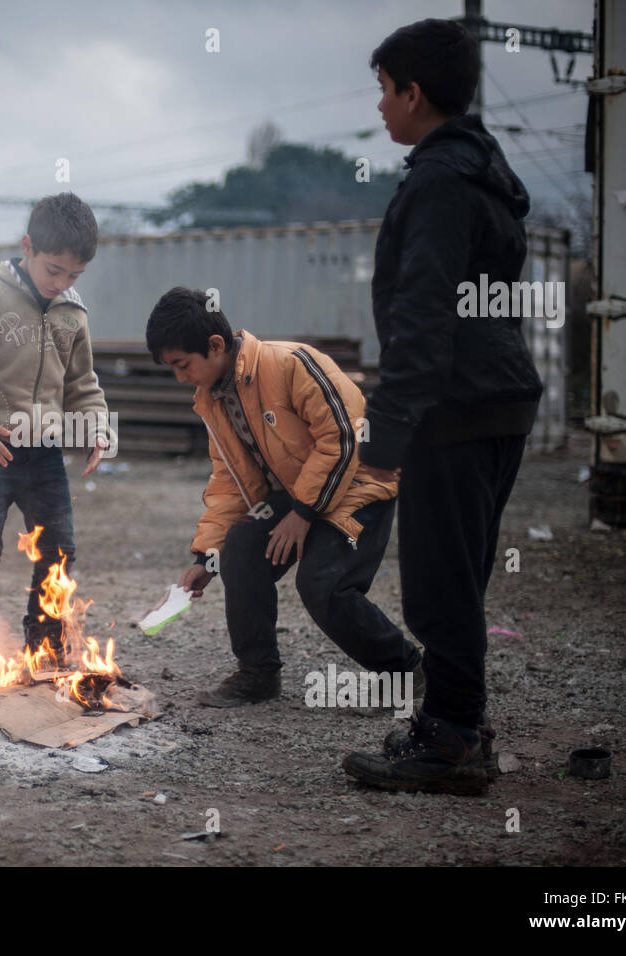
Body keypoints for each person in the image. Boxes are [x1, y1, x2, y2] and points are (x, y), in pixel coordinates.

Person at [341, 19, 543, 795]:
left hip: (455, 406)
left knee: (437, 584)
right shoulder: (486, 172)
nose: (381, 109)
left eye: (385, 91)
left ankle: (453, 740)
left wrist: (387, 436)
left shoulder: (437, 183)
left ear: (413, 92)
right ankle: (456, 722)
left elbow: (423, 318)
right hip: (499, 399)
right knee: (461, 577)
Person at [145, 288, 420, 707]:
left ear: (215, 346)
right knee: (239, 547)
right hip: (297, 495)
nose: (181, 379)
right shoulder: (213, 401)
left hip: (359, 486)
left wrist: (304, 514)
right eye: (172, 370)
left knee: (321, 583)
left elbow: (345, 437)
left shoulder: (291, 364)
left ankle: (405, 670)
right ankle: (257, 675)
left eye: (183, 365)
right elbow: (229, 482)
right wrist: (206, 558)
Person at [0, 193, 110, 653]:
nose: (62, 282)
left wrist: (96, 427)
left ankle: (45, 650)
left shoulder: (74, 312)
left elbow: (82, 382)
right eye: (54, 270)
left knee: (58, 552)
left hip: (44, 452)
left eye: (74, 275)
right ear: (27, 246)